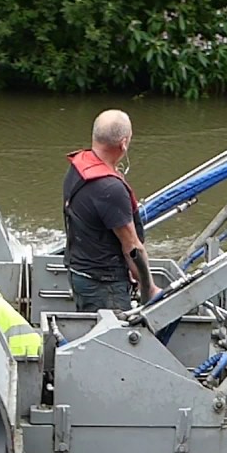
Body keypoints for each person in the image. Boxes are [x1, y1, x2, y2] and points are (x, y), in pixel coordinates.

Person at [62, 109, 161, 313]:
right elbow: (132, 247)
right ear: (123, 143)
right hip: (104, 286)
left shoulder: (79, 168)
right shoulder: (110, 189)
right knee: (113, 342)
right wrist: (148, 287)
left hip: (80, 273)